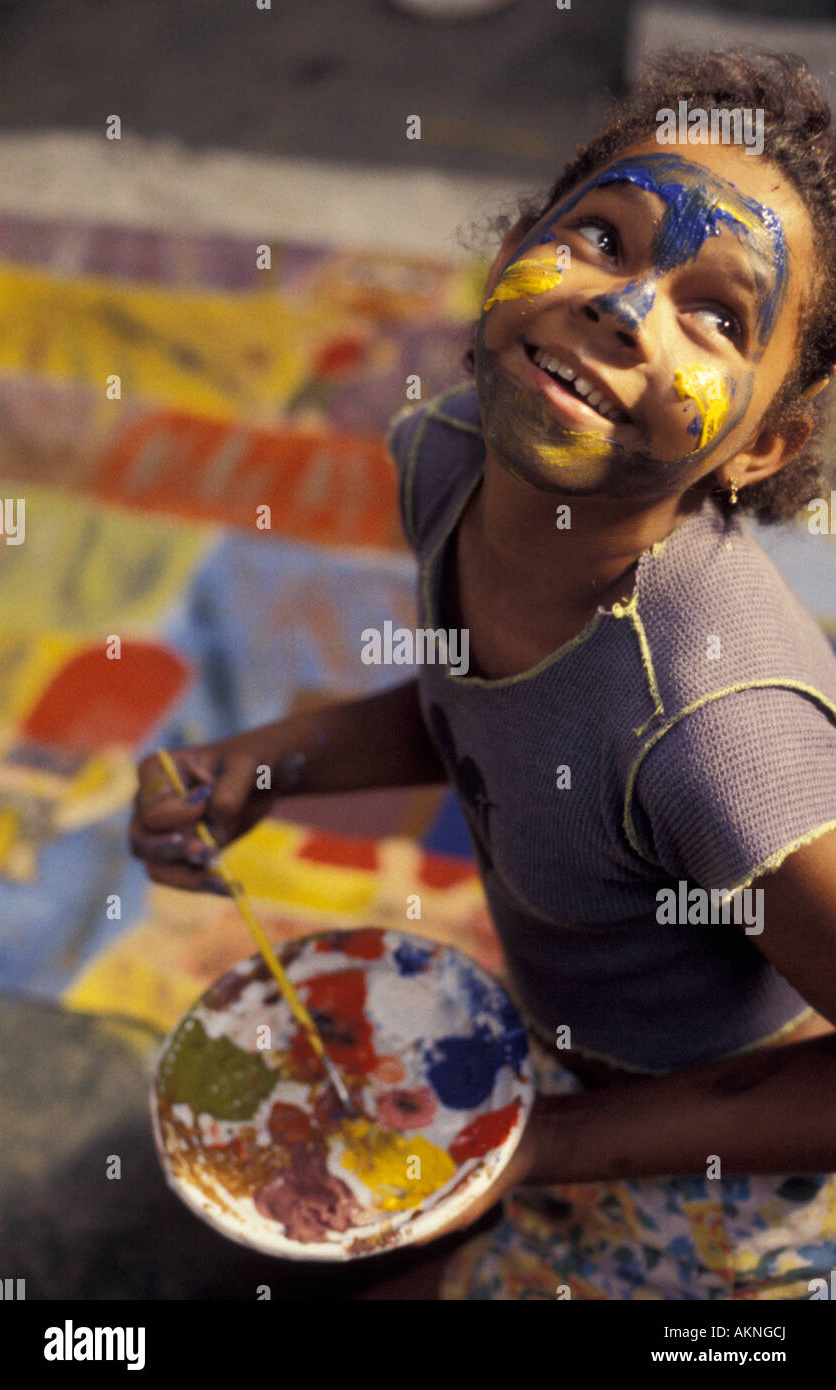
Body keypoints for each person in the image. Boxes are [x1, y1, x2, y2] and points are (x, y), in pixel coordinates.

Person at [130, 50, 836, 1299]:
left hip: (727, 1171)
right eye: (601, 240)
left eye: (715, 314)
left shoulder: (720, 731)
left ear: (768, 441)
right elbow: (491, 710)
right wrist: (271, 763)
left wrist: (547, 1146)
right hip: (562, 1065)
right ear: (516, 246)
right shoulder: (448, 456)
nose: (623, 307)